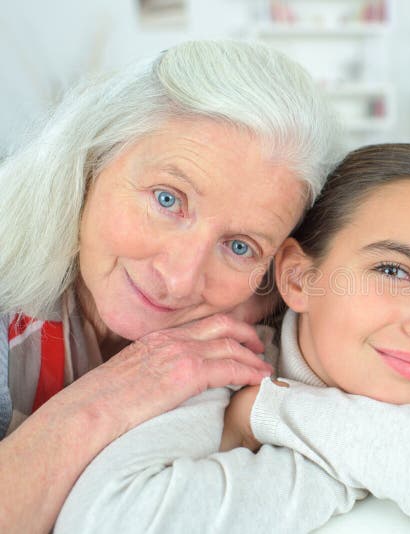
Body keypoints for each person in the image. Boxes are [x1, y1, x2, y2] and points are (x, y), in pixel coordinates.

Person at [56, 143, 410, 534]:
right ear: (300, 279)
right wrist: (373, 467)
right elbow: (108, 519)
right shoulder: (219, 365)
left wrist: (273, 416)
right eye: (393, 270)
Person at [0, 39, 339, 533]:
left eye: (240, 247)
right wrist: (108, 399)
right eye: (166, 199)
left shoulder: (261, 331)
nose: (179, 279)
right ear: (92, 160)